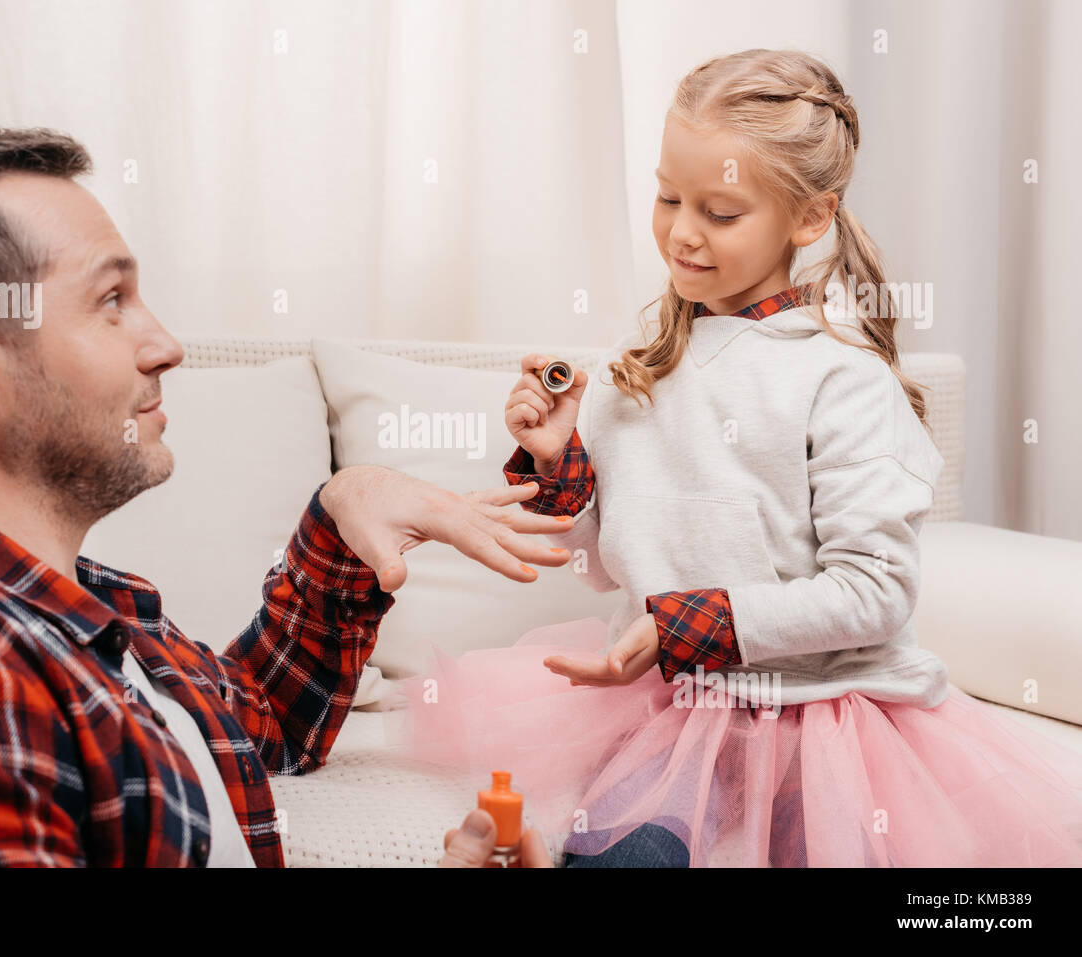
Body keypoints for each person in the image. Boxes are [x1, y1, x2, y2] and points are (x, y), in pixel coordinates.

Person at [0, 125, 576, 867]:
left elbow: (247, 730)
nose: (165, 345)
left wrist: (341, 515)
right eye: (110, 301)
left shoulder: (68, 609)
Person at [394, 48, 1082, 867]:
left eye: (720, 212)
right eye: (667, 197)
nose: (682, 232)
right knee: (620, 856)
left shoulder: (842, 378)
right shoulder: (640, 364)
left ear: (810, 217)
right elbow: (603, 567)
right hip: (675, 718)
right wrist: (557, 464)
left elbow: (876, 592)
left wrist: (685, 623)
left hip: (827, 720)